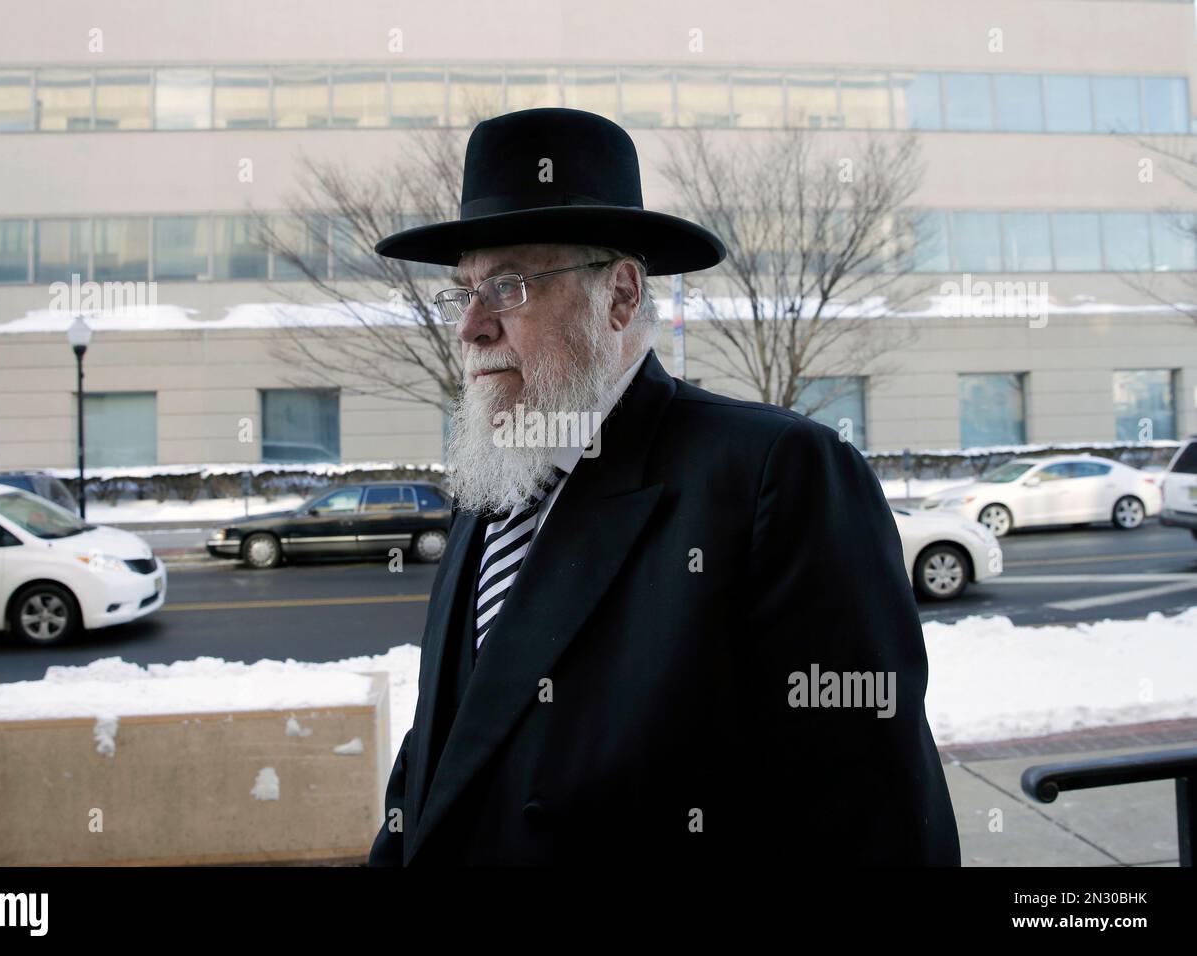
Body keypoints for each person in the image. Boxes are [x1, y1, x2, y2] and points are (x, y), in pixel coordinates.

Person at [366, 108, 960, 865]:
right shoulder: (493, 486)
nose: (471, 327)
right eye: (464, 292)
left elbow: (873, 821)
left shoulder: (774, 474)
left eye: (508, 287)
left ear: (619, 295)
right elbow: (445, 746)